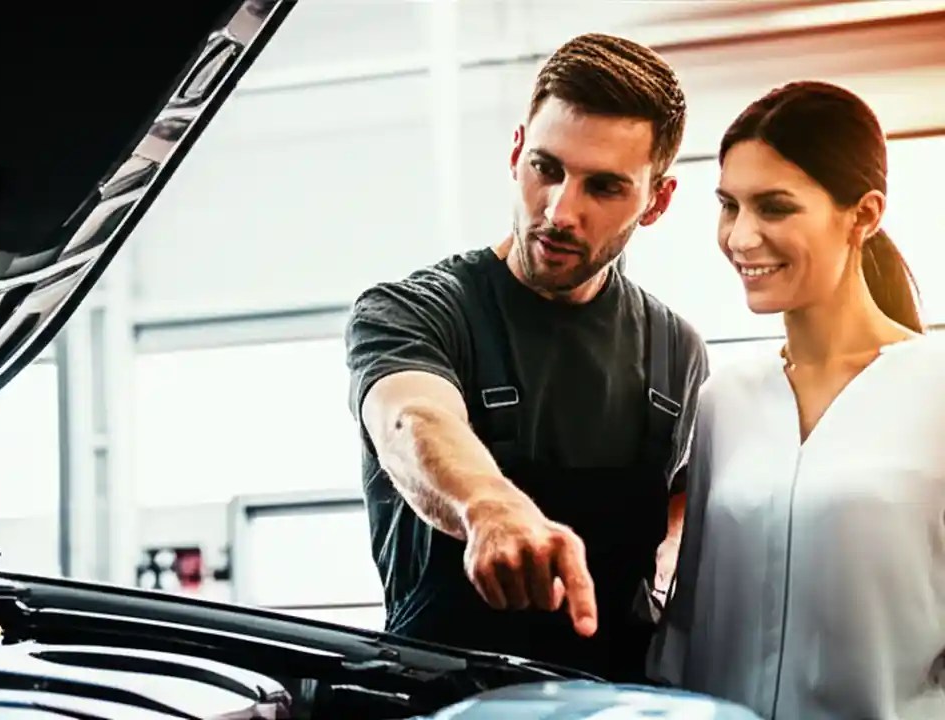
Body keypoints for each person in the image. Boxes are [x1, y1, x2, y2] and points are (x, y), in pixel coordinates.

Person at [344, 33, 710, 682]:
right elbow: (413, 421)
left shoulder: (676, 350)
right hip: (444, 704)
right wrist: (487, 504)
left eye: (604, 187)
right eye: (546, 168)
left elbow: (687, 505)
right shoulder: (418, 312)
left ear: (656, 200)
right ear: (516, 152)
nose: (560, 210)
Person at [647, 80, 945, 719]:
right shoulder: (724, 400)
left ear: (863, 215)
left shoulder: (936, 391)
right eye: (729, 206)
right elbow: (687, 628)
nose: (741, 237)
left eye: (775, 207)